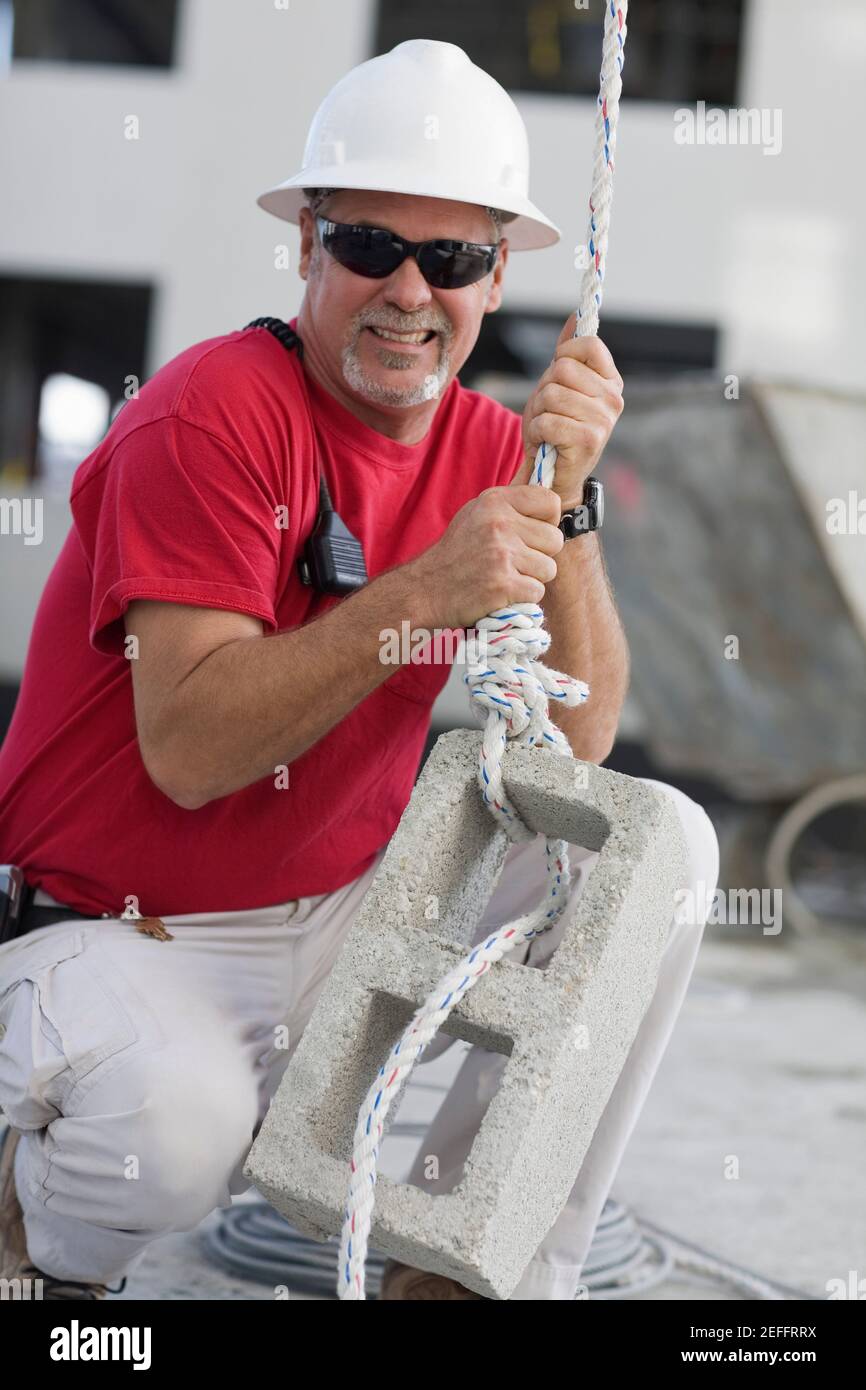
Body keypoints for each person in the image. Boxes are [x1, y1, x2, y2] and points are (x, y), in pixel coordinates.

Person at [0, 39, 719, 1300]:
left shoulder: (500, 447)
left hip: (340, 912)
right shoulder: (210, 413)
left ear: (495, 280)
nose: (407, 290)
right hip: (124, 929)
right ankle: (29, 1228)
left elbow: (585, 747)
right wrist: (431, 587)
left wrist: (572, 496)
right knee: (169, 1137)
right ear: (306, 248)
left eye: (449, 259)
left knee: (652, 844)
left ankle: (453, 1268)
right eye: (369, 246)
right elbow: (189, 752)